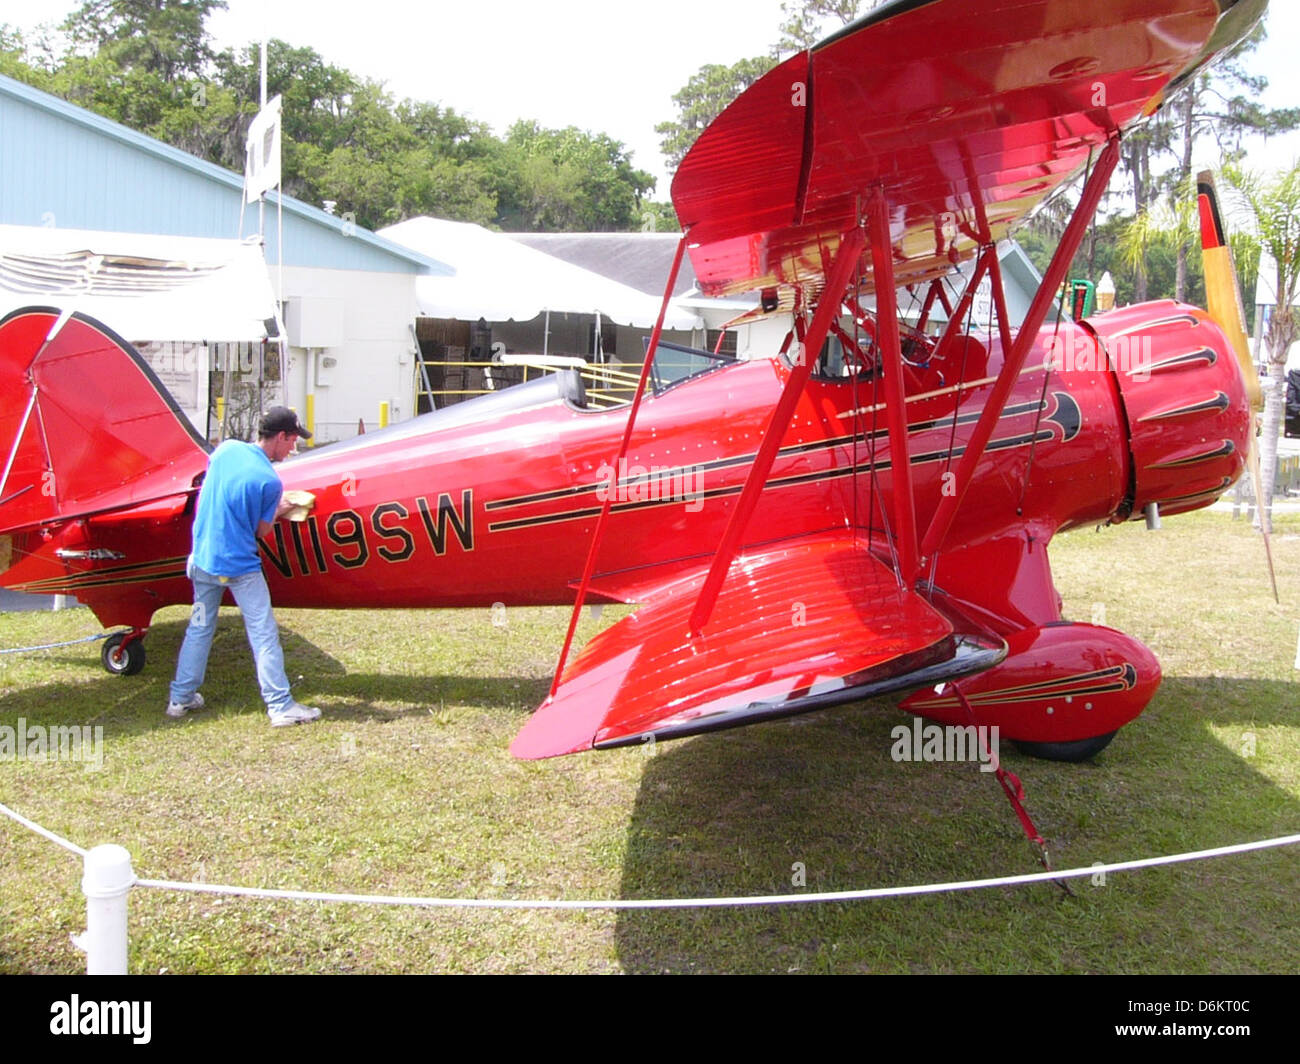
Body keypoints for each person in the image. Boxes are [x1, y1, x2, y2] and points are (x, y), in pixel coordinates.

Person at [167, 407, 322, 727]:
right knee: (263, 633)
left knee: (198, 628)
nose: (293, 447)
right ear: (280, 437)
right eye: (292, 440)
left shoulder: (225, 450)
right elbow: (261, 531)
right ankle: (280, 706)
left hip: (202, 563)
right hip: (240, 569)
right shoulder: (269, 481)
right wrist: (287, 506)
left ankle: (180, 698)